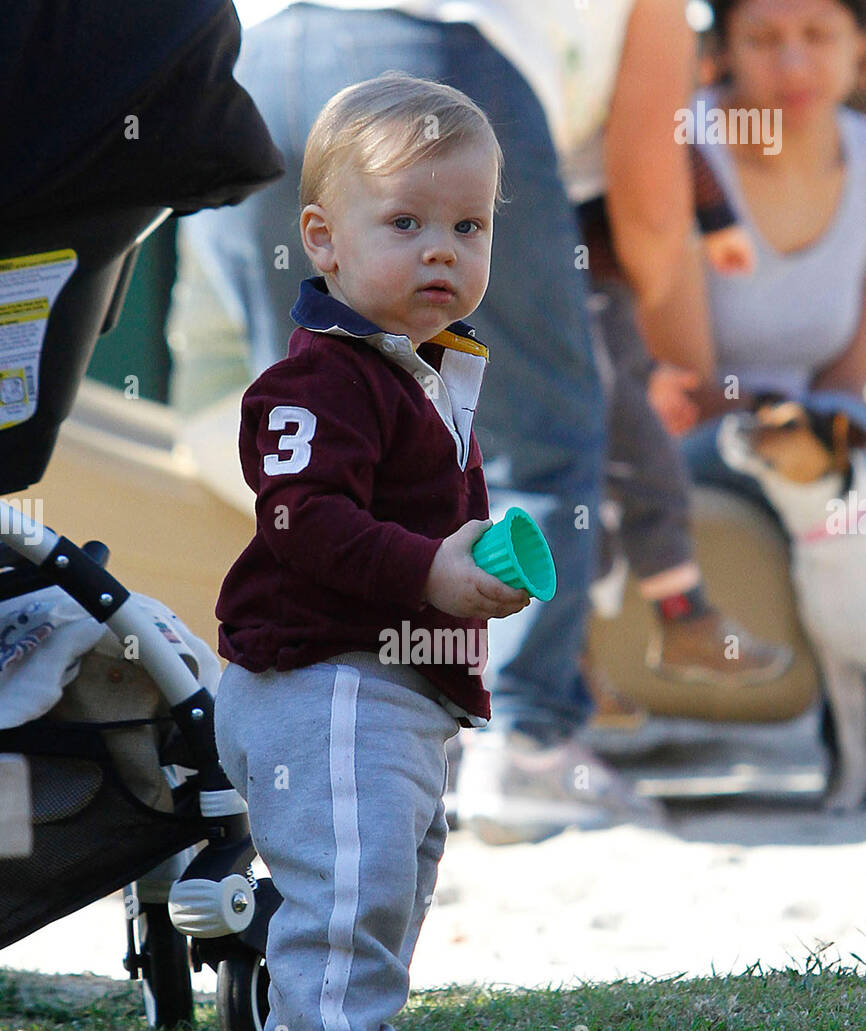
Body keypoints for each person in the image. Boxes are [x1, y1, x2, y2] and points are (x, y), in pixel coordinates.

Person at [170, 0, 699, 844]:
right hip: (446, 60)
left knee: (323, 428)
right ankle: (523, 739)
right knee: (544, 441)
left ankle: (352, 734)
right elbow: (652, 209)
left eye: (463, 229)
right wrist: (685, 345)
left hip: (253, 60)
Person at [212, 74, 530, 1031]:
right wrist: (429, 573)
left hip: (402, 684)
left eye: (467, 224)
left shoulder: (430, 371)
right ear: (324, 240)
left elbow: (432, 530)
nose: (441, 248)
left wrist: (476, 572)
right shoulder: (317, 383)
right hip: (322, 681)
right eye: (404, 222)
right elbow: (301, 519)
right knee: (353, 890)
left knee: (387, 891)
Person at [578, 145, 793, 696]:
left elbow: (671, 135)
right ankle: (573, 669)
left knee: (623, 473)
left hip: (591, 293)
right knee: (605, 478)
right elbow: (668, 135)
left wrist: (640, 373)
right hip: (547, 289)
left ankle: (593, 660)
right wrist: (717, 220)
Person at [642, 0, 866, 506]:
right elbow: (689, 394)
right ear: (724, 49)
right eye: (762, 40)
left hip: (808, 449)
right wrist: (797, 427)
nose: (793, 65)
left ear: (860, 41)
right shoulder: (680, 155)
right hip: (700, 452)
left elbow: (847, 385)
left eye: (819, 34)